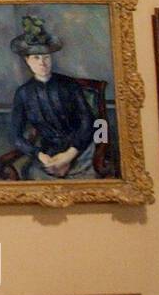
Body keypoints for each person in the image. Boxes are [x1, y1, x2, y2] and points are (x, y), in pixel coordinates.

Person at [8, 16, 98, 178]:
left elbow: (88, 121)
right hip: (48, 153)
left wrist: (70, 155)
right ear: (27, 61)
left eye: (46, 57)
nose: (42, 63)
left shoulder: (70, 85)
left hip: (81, 148)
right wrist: (40, 155)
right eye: (36, 57)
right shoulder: (23, 93)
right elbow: (16, 136)